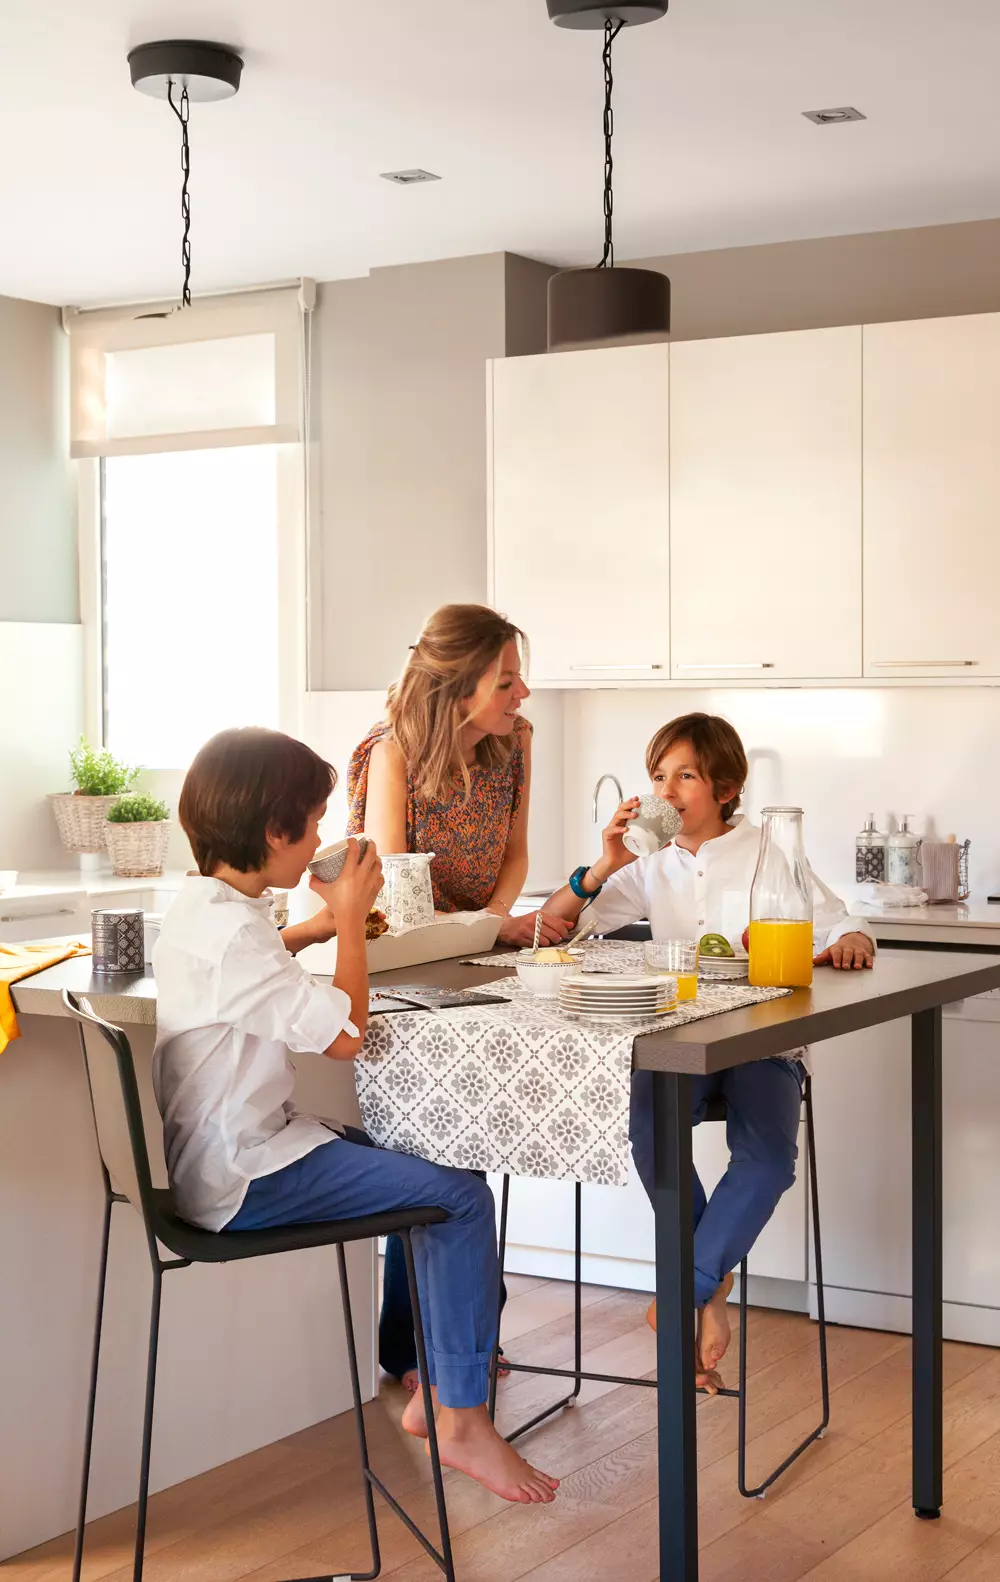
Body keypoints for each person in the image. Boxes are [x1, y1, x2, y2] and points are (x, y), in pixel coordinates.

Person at [151, 726, 558, 1504]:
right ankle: (462, 1417)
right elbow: (346, 1037)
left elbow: (262, 955)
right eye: (311, 827)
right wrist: (346, 916)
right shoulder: (233, 938)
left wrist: (317, 924)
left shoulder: (207, 909)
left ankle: (433, 1382)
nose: (319, 844)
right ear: (273, 831)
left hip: (238, 1152)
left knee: (436, 1155)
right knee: (461, 1198)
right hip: (245, 1178)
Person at [546, 712, 875, 1387]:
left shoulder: (768, 850)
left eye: (685, 776)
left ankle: (684, 1293)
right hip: (678, 1033)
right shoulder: (647, 866)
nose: (667, 791)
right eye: (658, 776)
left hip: (763, 1036)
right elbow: (557, 931)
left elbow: (844, 917)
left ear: (725, 787)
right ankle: (708, 1294)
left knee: (767, 1161)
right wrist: (607, 862)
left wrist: (853, 940)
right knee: (646, 1132)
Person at [347, 603, 565, 1391]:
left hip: (478, 951)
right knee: (427, 1145)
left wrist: (496, 923)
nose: (523, 694)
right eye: (506, 680)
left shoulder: (515, 743)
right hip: (402, 962)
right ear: (456, 685)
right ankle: (420, 1347)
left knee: (465, 1143)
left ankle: (454, 1338)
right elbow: (396, 881)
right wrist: (481, 929)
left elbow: (516, 851)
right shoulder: (391, 754)